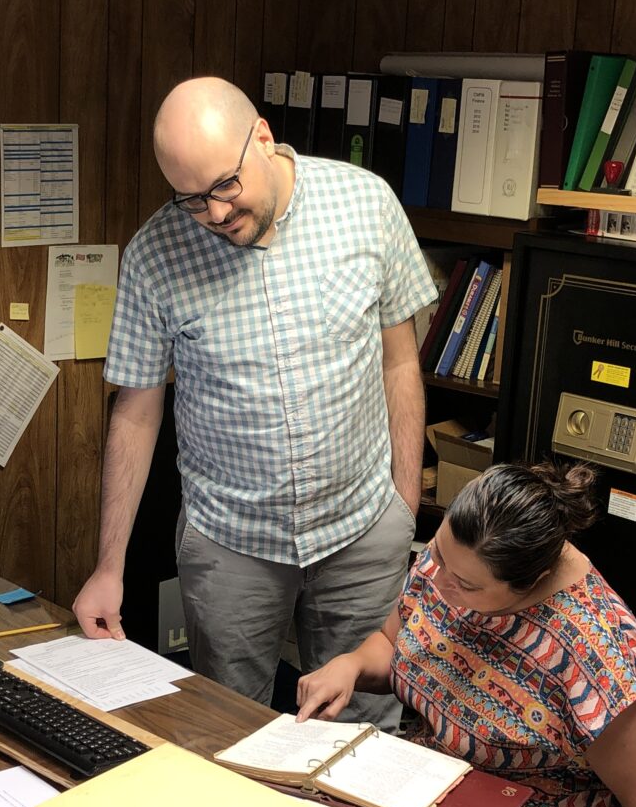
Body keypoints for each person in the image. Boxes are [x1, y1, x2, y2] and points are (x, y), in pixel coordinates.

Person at [71, 76, 437, 729]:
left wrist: (403, 510)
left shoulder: (366, 204)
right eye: (190, 199)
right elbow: (136, 409)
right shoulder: (155, 253)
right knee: (229, 734)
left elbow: (399, 360)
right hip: (230, 542)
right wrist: (108, 567)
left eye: (224, 186)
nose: (214, 213)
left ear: (263, 137)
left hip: (360, 529)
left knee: (367, 736)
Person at [296, 460, 636, 807]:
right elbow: (397, 641)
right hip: (436, 803)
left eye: (465, 585)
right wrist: (352, 664)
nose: (438, 583)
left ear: (533, 580)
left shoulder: (597, 656)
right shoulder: (459, 558)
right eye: (436, 554)